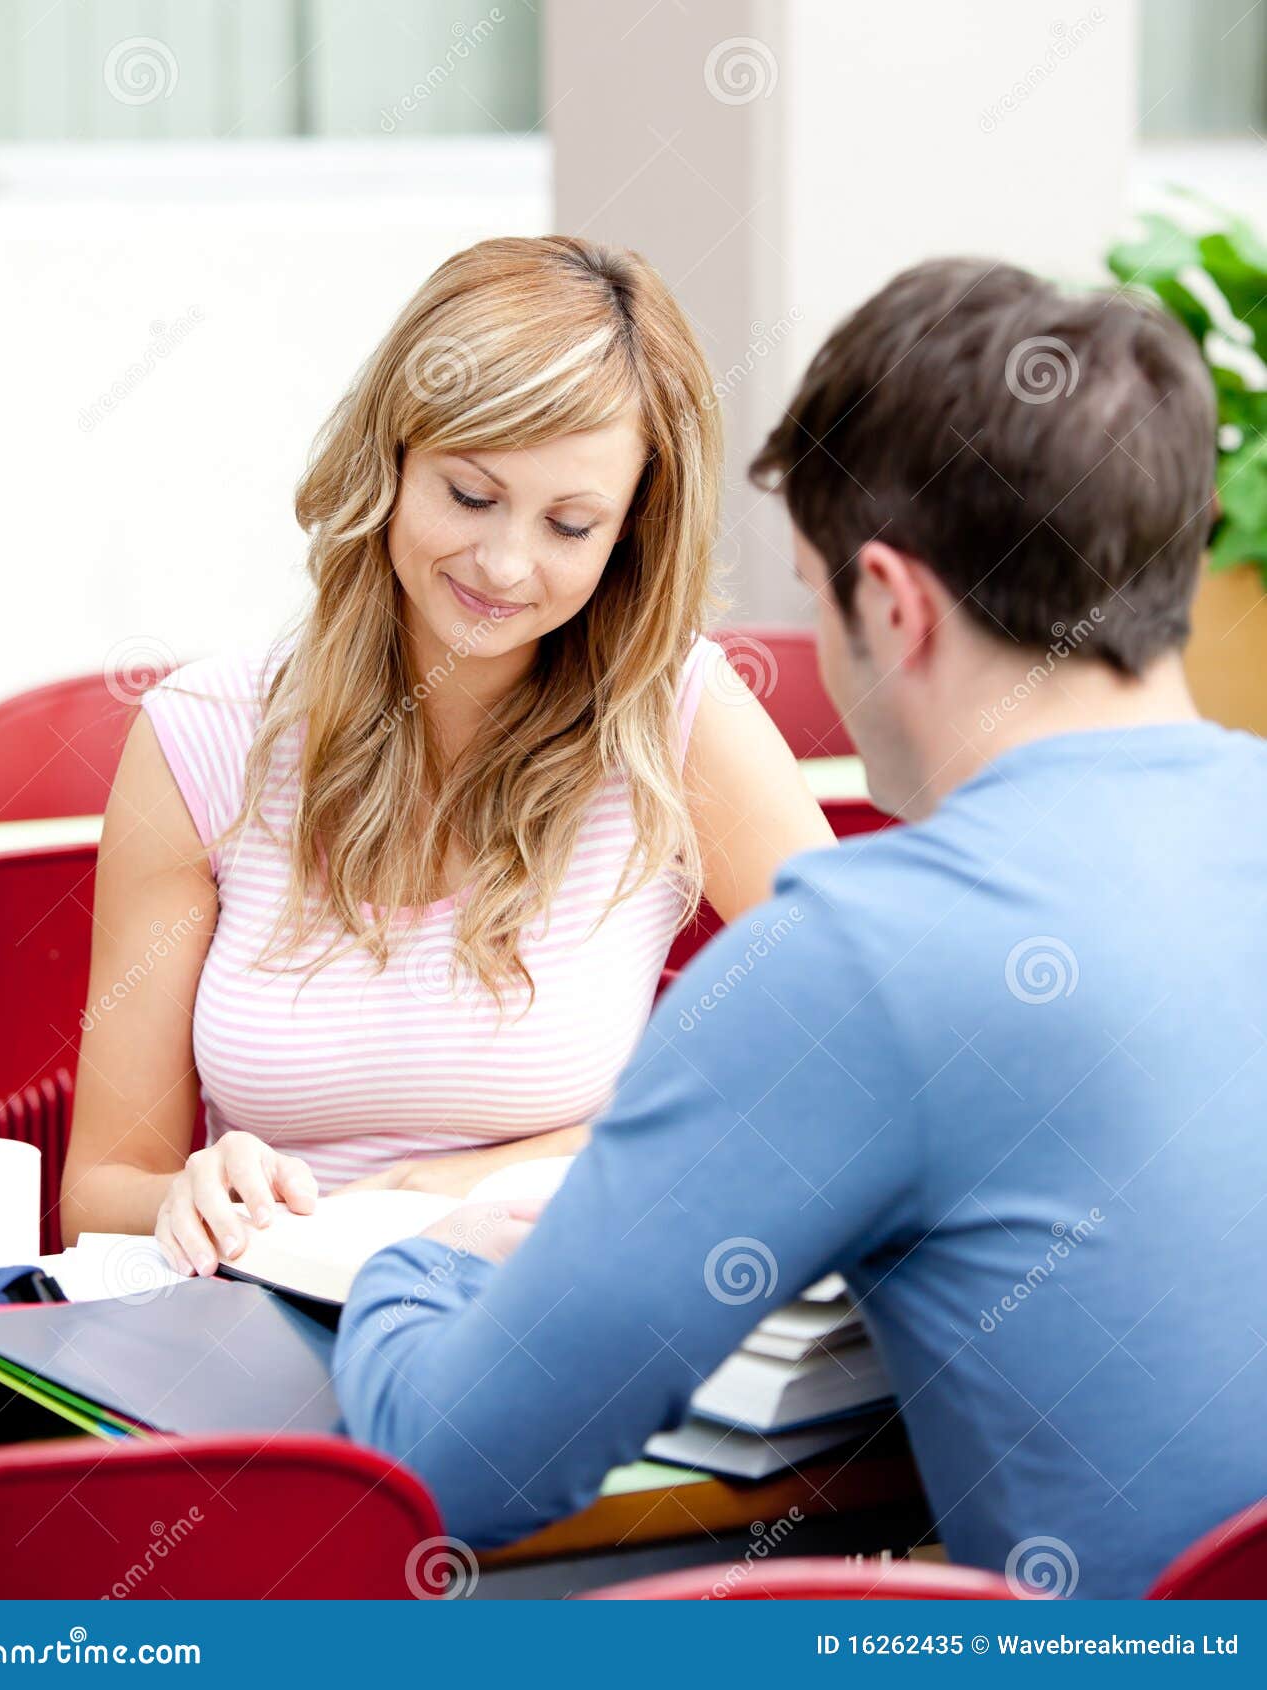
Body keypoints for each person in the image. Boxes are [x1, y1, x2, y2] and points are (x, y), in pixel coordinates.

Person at [332, 257, 1267, 1598]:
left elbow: (455, 1467)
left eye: (814, 592)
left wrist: (420, 1256)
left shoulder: (866, 957)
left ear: (890, 601)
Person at [60, 235, 831, 1273]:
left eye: (570, 524)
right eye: (470, 496)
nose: (505, 564)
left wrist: (458, 1182)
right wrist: (180, 1197)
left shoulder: (673, 716)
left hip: (549, 1321)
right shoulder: (203, 736)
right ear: (390, 459)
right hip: (263, 1334)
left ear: (629, 538)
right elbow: (99, 1194)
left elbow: (876, 1058)